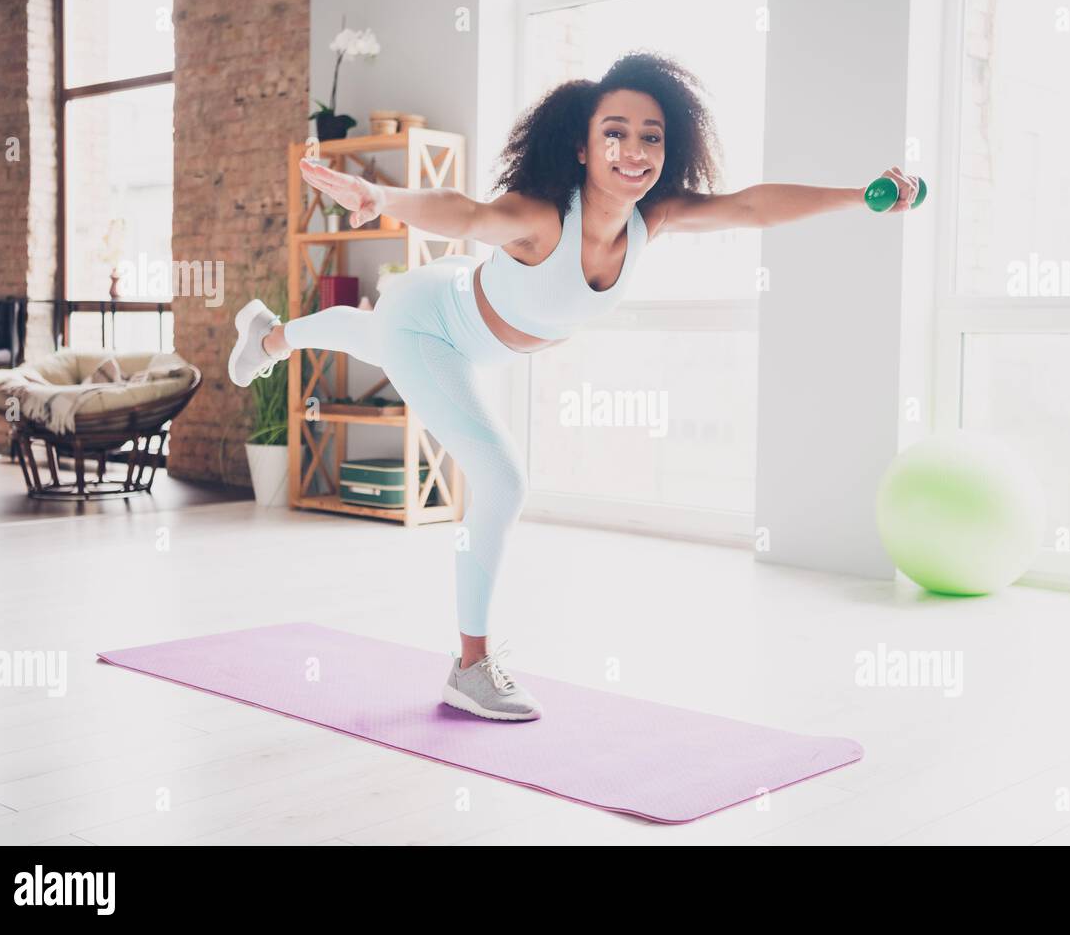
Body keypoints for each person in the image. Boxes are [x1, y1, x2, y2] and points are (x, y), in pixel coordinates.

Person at [228, 50, 920, 722]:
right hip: (433, 326)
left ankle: (268, 336)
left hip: (456, 316)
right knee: (499, 478)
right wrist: (382, 197)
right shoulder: (541, 218)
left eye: (651, 137)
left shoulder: (656, 218)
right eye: (614, 133)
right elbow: (463, 213)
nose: (634, 151)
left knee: (367, 332)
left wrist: (862, 197)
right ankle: (470, 667)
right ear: (583, 148)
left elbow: (749, 208)